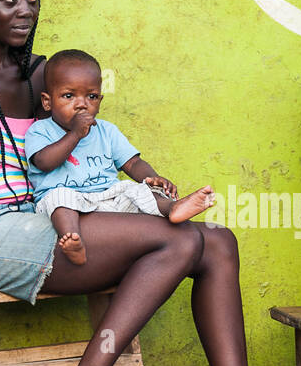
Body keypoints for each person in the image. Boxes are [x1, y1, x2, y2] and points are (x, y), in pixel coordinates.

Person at [0, 0, 247, 366]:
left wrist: (138, 179)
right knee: (179, 238)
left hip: (45, 219)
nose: (26, 11)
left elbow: (92, 140)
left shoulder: (41, 78)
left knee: (218, 243)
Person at [25, 49, 216, 266]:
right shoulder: (40, 130)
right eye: (69, 96)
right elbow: (44, 162)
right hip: (68, 204)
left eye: (91, 96)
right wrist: (75, 134)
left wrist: (153, 178)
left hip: (107, 198)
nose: (81, 104)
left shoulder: (106, 131)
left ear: (100, 99)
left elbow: (133, 162)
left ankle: (172, 208)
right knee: (58, 198)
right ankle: (72, 240)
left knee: (136, 190)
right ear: (47, 102)